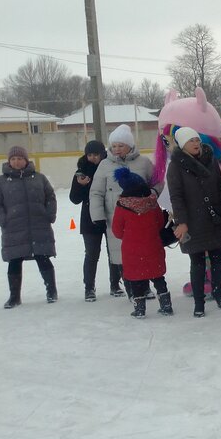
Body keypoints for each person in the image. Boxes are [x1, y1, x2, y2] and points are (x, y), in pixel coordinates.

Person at [167, 127, 221, 317]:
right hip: (192, 220)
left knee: (219, 259)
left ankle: (217, 291)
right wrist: (182, 222)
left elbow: (220, 187)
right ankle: (199, 301)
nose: (195, 144)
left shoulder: (210, 159)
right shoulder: (176, 165)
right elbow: (176, 196)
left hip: (213, 217)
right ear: (182, 145)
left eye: (196, 140)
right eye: (190, 141)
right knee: (197, 263)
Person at [89, 124, 155, 298]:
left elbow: (156, 183)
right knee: (123, 254)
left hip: (141, 218)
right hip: (115, 218)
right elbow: (96, 192)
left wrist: (151, 195)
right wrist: (98, 216)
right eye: (114, 146)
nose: (117, 149)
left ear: (130, 145)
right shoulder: (104, 165)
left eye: (121, 145)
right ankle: (132, 287)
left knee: (142, 252)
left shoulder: (144, 162)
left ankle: (145, 285)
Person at [0, 146, 57, 309]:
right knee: (14, 261)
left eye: (20, 158)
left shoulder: (39, 178)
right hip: (13, 229)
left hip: (39, 226)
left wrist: (49, 214)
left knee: (43, 258)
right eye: (13, 159)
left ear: (26, 160)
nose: (16, 162)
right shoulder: (0, 181)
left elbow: (50, 197)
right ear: (8, 161)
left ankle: (51, 291)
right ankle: (14, 296)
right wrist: (3, 219)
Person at [110, 167, 172, 318]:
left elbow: (117, 231)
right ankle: (166, 305)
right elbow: (159, 223)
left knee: (136, 279)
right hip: (153, 245)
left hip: (132, 250)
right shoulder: (153, 204)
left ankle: (139, 309)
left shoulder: (122, 206)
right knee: (158, 276)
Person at [70, 140, 108, 301]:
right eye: (89, 155)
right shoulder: (81, 172)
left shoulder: (108, 168)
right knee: (92, 254)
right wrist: (81, 186)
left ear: (102, 154)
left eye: (96, 154)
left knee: (114, 252)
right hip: (89, 219)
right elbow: (74, 199)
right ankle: (89, 287)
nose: (92, 158)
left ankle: (116, 284)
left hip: (110, 215)